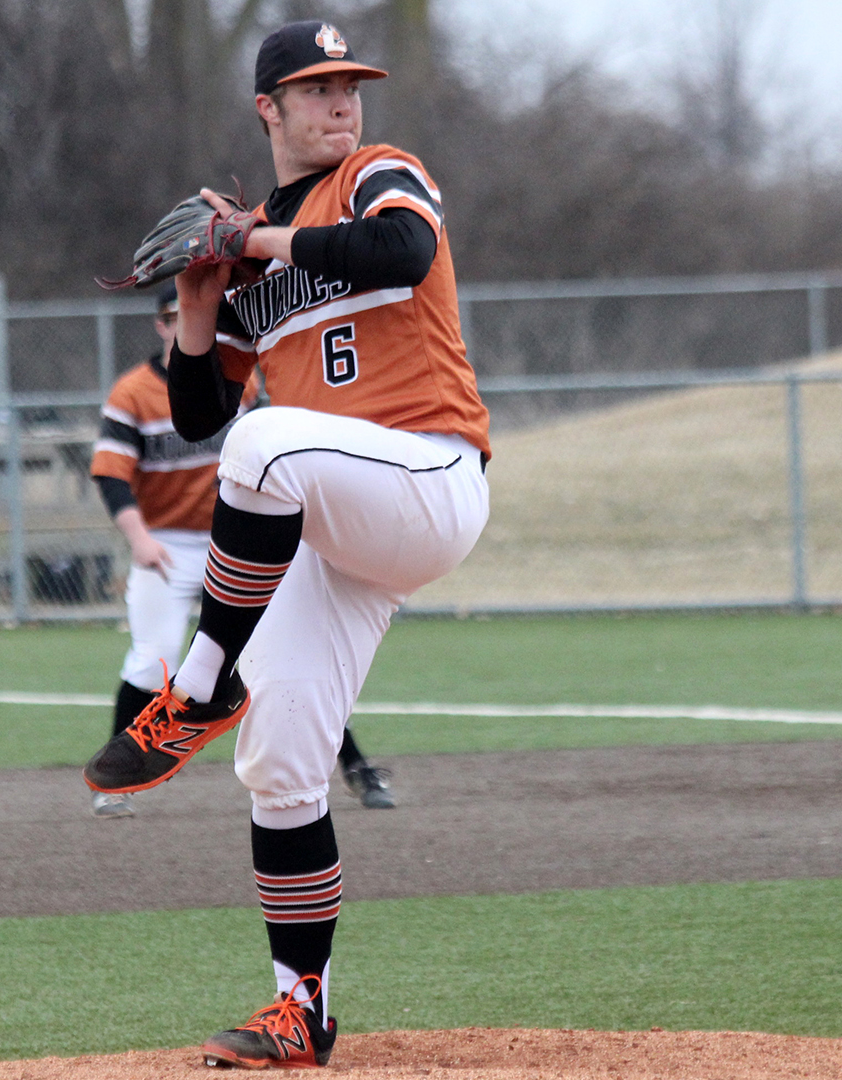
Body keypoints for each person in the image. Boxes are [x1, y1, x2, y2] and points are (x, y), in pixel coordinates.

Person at [83, 21, 491, 1068]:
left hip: (430, 476)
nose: (339, 102)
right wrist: (197, 298)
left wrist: (251, 244)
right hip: (338, 523)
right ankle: (301, 1009)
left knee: (268, 445)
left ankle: (202, 680)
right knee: (281, 766)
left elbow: (403, 249)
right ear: (268, 108)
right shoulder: (242, 253)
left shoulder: (376, 174)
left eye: (348, 85)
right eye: (314, 89)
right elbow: (197, 411)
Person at [87, 285, 397, 820]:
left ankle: (356, 767)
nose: (179, 323)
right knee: (153, 659)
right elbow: (112, 477)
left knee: (283, 657)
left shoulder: (240, 382)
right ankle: (116, 781)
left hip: (239, 542)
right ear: (161, 326)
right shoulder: (133, 392)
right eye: (170, 316)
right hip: (168, 543)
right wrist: (138, 538)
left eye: (185, 313)